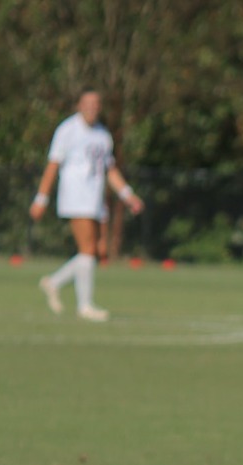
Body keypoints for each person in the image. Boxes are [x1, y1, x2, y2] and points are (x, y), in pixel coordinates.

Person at [31, 90, 143, 322]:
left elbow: (109, 170)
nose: (92, 107)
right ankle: (84, 305)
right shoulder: (67, 130)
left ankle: (53, 283)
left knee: (93, 252)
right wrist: (41, 198)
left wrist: (127, 195)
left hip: (94, 199)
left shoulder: (102, 134)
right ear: (79, 105)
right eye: (88, 103)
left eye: (96, 104)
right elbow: (53, 165)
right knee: (88, 250)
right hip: (75, 196)